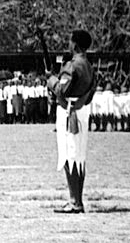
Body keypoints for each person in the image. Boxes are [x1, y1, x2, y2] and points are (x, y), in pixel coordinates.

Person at [47, 29, 96, 214]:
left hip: (69, 111)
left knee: (70, 155)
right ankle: (78, 198)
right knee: (79, 157)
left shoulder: (72, 65)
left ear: (74, 44)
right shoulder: (88, 65)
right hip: (82, 109)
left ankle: (75, 200)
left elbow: (62, 89)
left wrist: (51, 79)